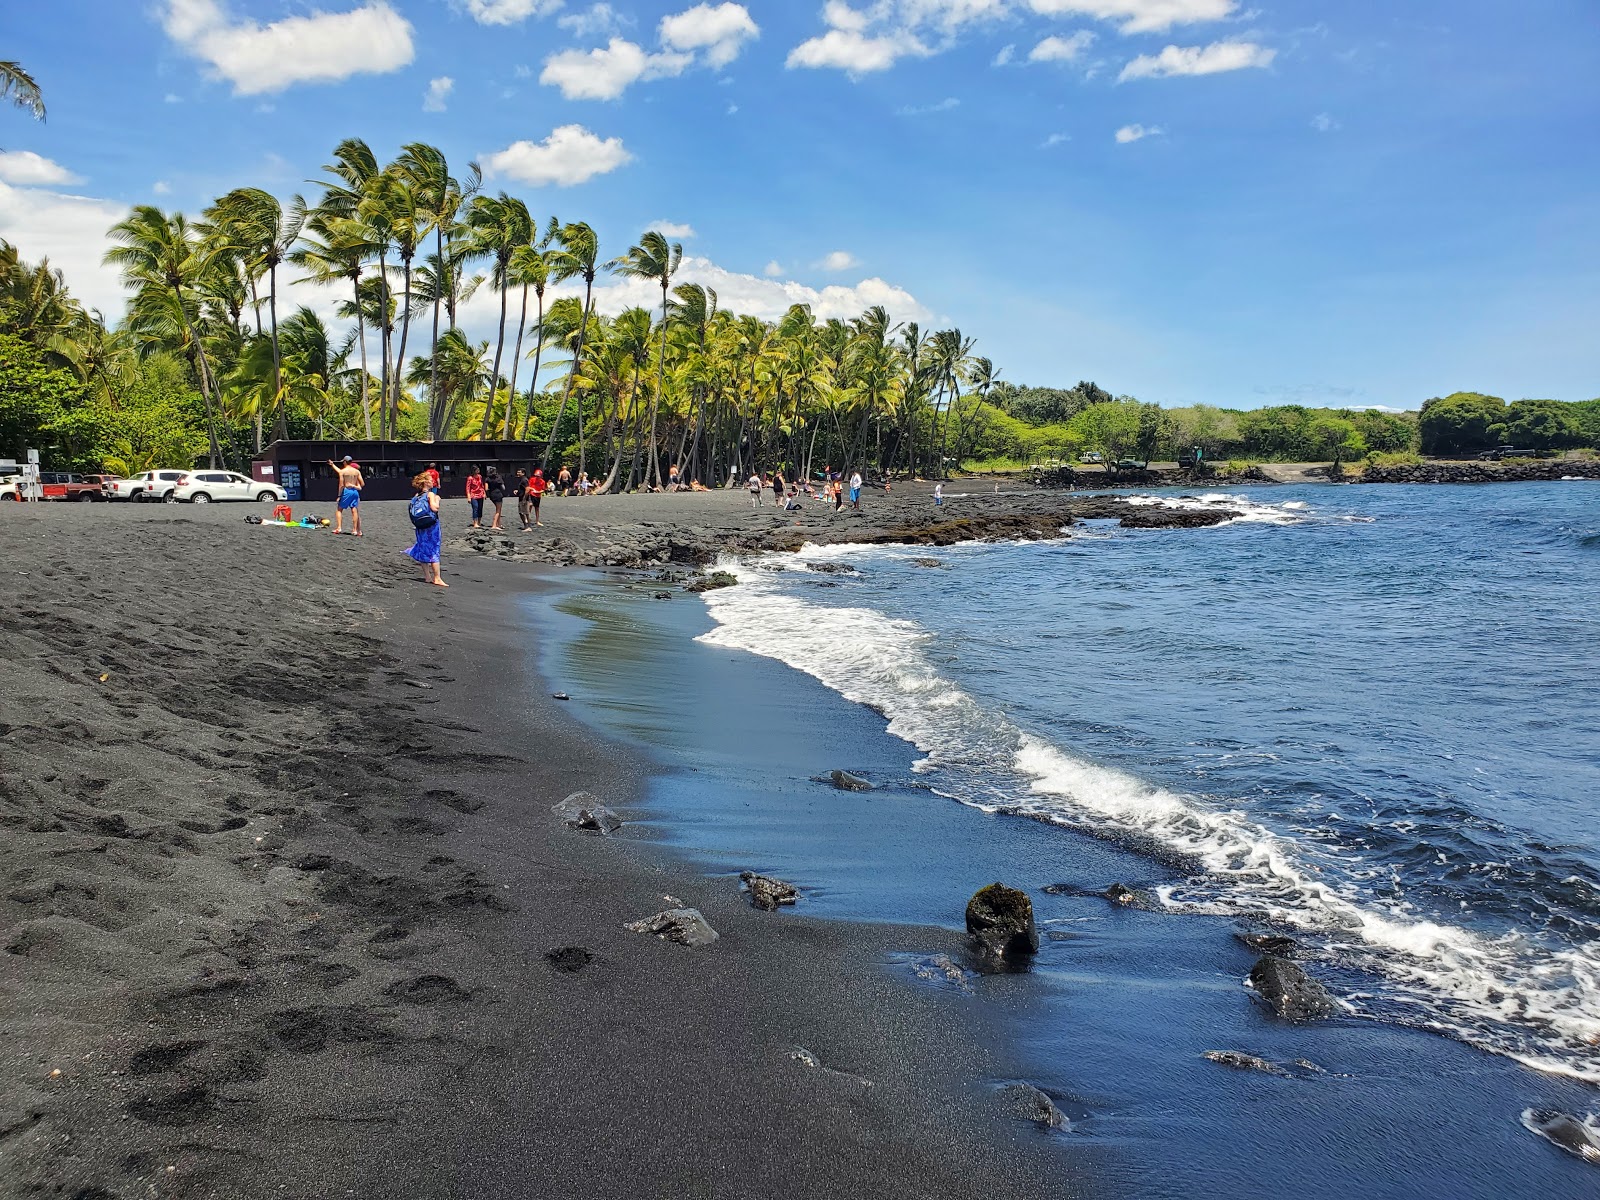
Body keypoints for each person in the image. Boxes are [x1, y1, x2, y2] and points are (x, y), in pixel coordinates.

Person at [405, 472, 446, 587]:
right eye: (430, 479)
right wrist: (437, 499)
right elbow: (434, 508)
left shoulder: (416, 496)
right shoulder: (430, 494)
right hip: (431, 525)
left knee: (422, 546)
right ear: (426, 482)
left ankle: (427, 576)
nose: (433, 481)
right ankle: (437, 578)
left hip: (420, 525)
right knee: (434, 548)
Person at [325, 455, 363, 536]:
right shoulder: (357, 472)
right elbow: (362, 483)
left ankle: (339, 528)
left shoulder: (343, 471)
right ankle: (355, 530)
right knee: (354, 510)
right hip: (355, 491)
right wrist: (332, 465)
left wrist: (339, 495)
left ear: (345, 462)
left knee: (339, 509)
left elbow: (341, 484)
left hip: (346, 491)